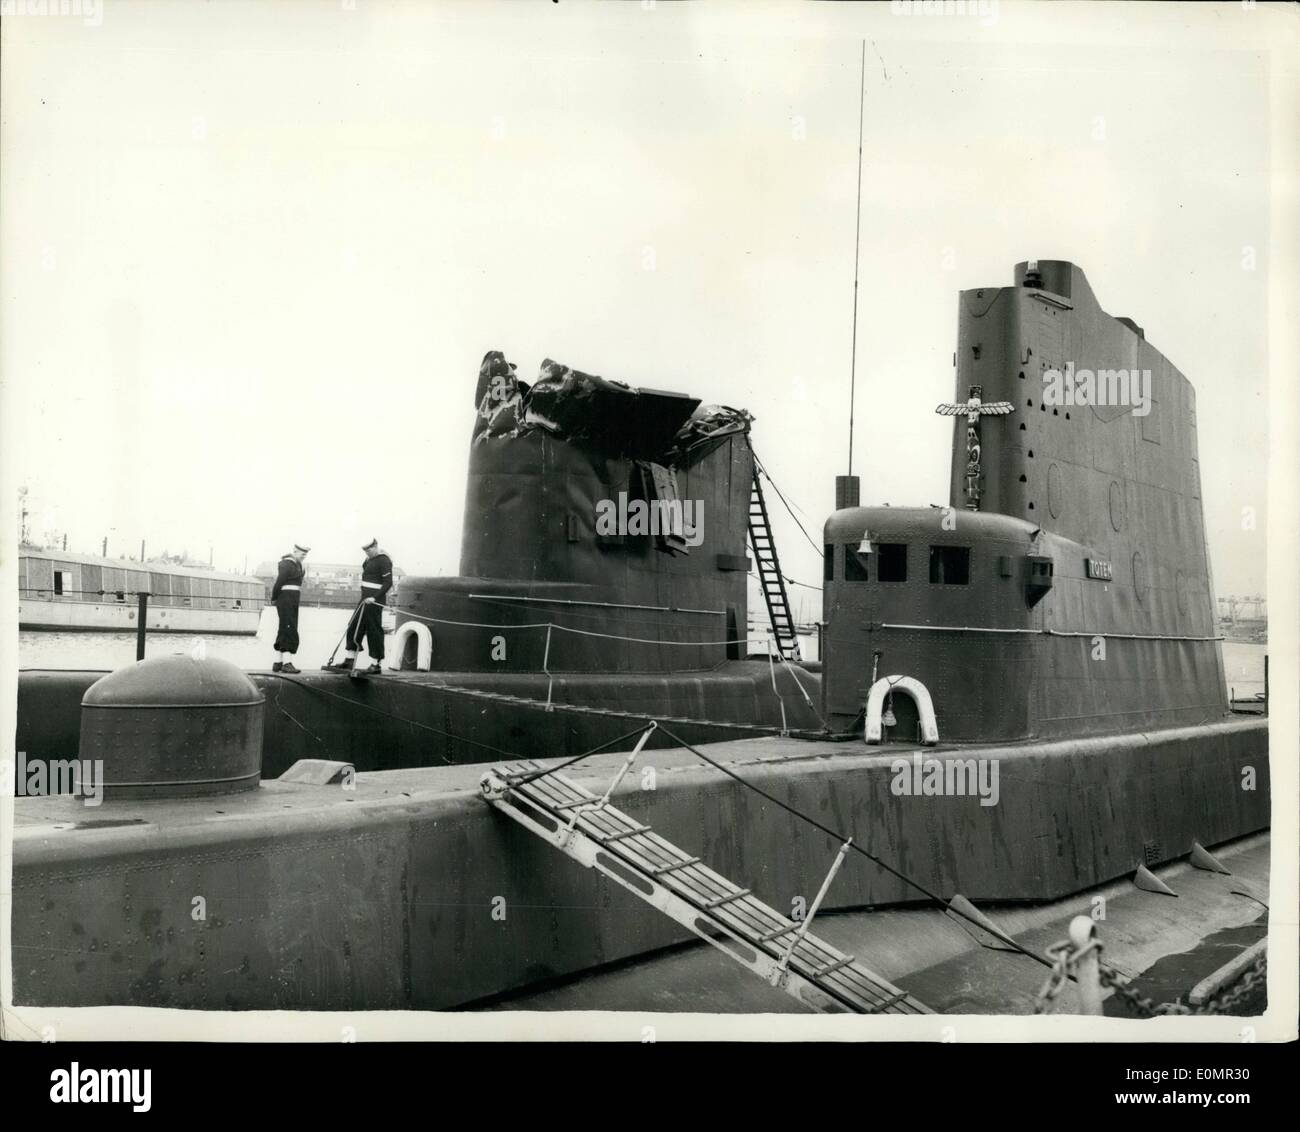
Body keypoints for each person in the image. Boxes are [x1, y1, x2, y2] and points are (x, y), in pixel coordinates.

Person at [326, 538, 393, 673]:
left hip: (374, 601)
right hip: (364, 600)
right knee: (353, 626)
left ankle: (376, 663)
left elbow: (388, 582)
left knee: (374, 630)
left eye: (369, 550)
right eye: (365, 551)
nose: (367, 553)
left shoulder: (384, 560)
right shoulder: (368, 560)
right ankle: (350, 660)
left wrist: (374, 597)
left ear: (375, 546)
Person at [271, 543, 309, 673]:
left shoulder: (298, 565)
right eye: (302, 554)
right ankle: (287, 663)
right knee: (289, 629)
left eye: (305, 554)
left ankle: (278, 662)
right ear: (295, 551)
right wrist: (274, 598)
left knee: (284, 628)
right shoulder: (287, 564)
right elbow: (279, 583)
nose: (304, 557)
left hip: (292, 599)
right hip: (286, 598)